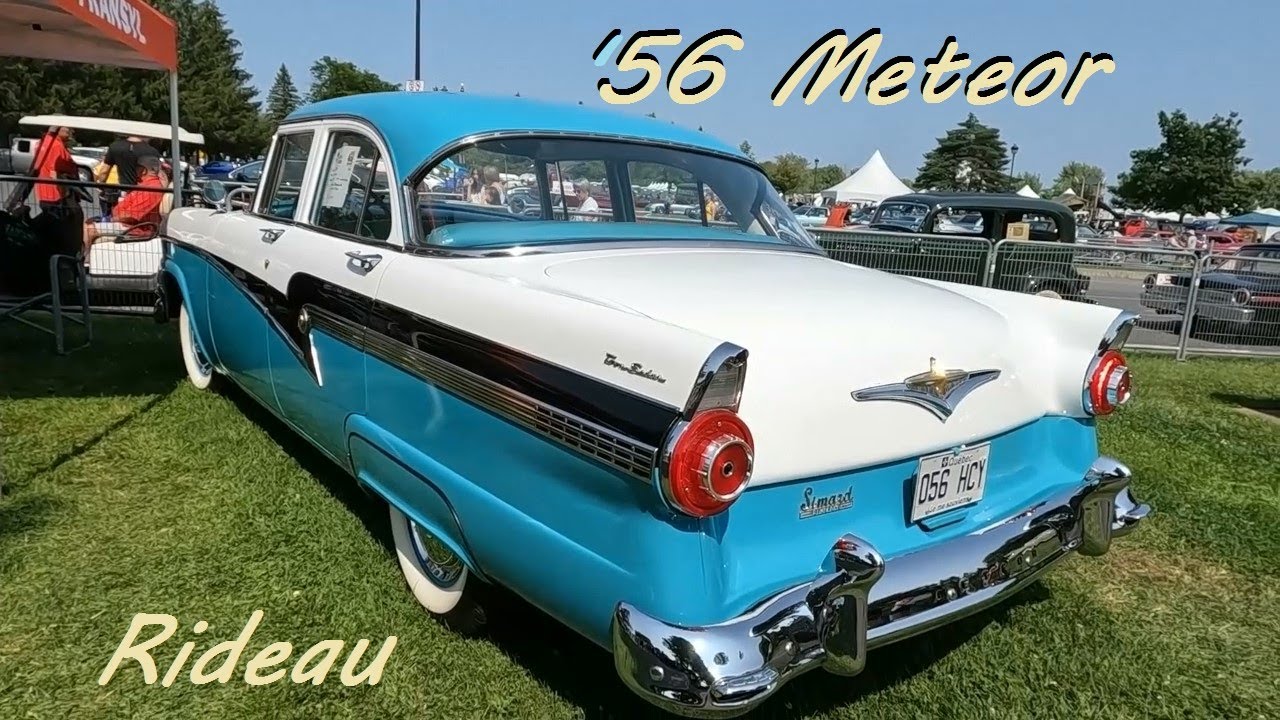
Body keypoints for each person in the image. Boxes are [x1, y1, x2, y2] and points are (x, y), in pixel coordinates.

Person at [82, 155, 167, 260]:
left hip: (136, 228)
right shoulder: (145, 185)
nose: (134, 171)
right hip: (128, 224)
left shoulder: (151, 189)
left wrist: (110, 219)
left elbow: (132, 215)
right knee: (88, 222)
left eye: (136, 168)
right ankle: (87, 259)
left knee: (89, 228)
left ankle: (84, 261)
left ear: (143, 170)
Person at [33, 126, 78, 214]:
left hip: (46, 191)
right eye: (68, 129)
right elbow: (55, 171)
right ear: (58, 129)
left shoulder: (46, 142)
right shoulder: (56, 146)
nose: (71, 131)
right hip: (55, 193)